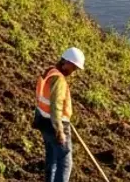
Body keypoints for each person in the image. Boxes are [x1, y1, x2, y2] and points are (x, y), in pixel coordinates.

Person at [34, 47, 85, 182]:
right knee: (65, 163)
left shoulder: (49, 72)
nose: (73, 72)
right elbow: (55, 105)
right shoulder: (59, 80)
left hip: (43, 121)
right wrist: (59, 130)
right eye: (73, 68)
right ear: (66, 62)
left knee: (51, 158)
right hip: (55, 124)